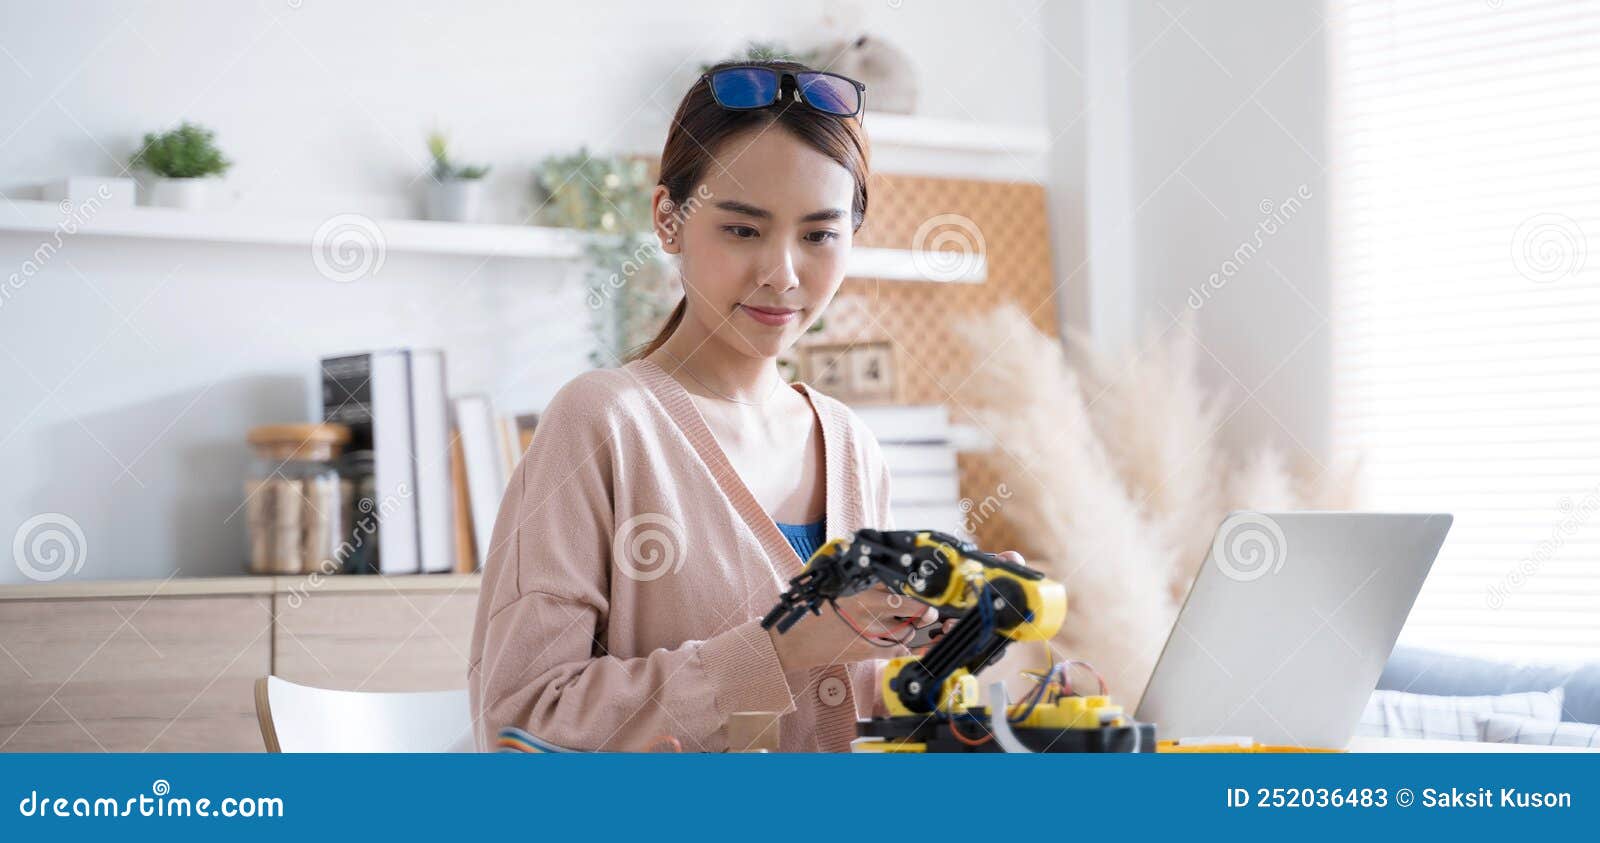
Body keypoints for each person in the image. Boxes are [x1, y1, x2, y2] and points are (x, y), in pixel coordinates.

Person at [468, 60, 1024, 752]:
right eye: (742, 229)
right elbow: (520, 725)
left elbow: (843, 711)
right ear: (668, 220)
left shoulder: (850, 444)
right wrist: (778, 647)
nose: (782, 275)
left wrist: (940, 652)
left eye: (818, 235)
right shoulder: (603, 423)